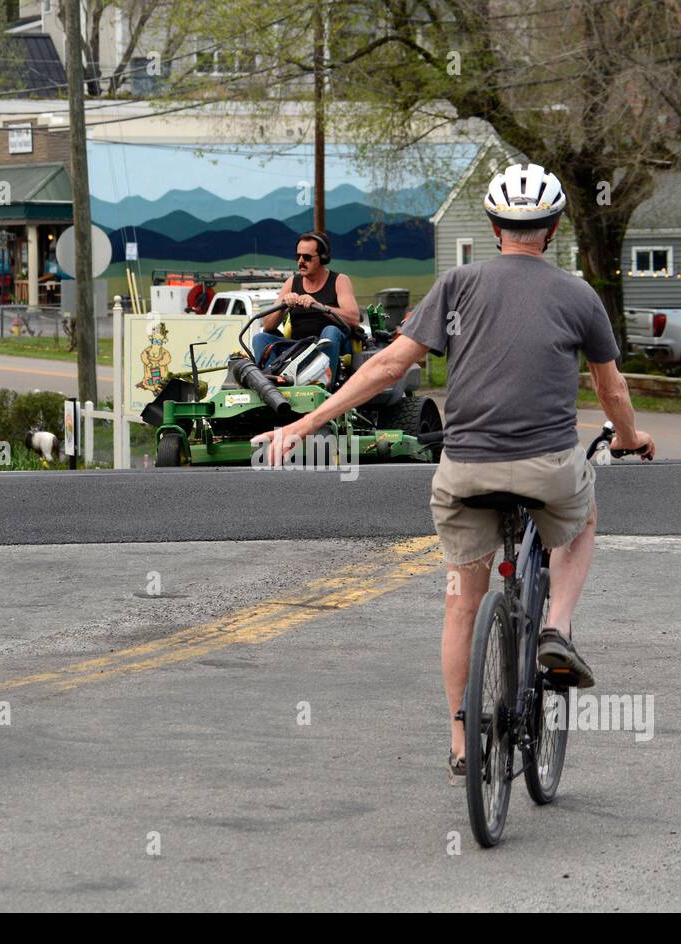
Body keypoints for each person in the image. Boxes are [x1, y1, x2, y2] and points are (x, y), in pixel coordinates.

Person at [252, 162, 655, 779]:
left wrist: (301, 425)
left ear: (494, 227)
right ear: (550, 231)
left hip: (463, 470)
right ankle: (556, 627)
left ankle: (462, 740)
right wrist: (630, 439)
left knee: (462, 603)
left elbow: (387, 368)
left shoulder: (458, 284)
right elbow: (612, 390)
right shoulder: (579, 296)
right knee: (582, 515)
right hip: (547, 468)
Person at [253, 232, 362, 387]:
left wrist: (319, 306)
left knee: (330, 331)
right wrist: (284, 305)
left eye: (307, 257)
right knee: (260, 338)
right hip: (297, 347)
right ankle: (273, 390)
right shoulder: (292, 282)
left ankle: (324, 390)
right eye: (298, 256)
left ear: (323, 258)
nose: (301, 261)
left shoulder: (339, 280)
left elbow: (353, 318)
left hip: (330, 347)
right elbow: (268, 326)